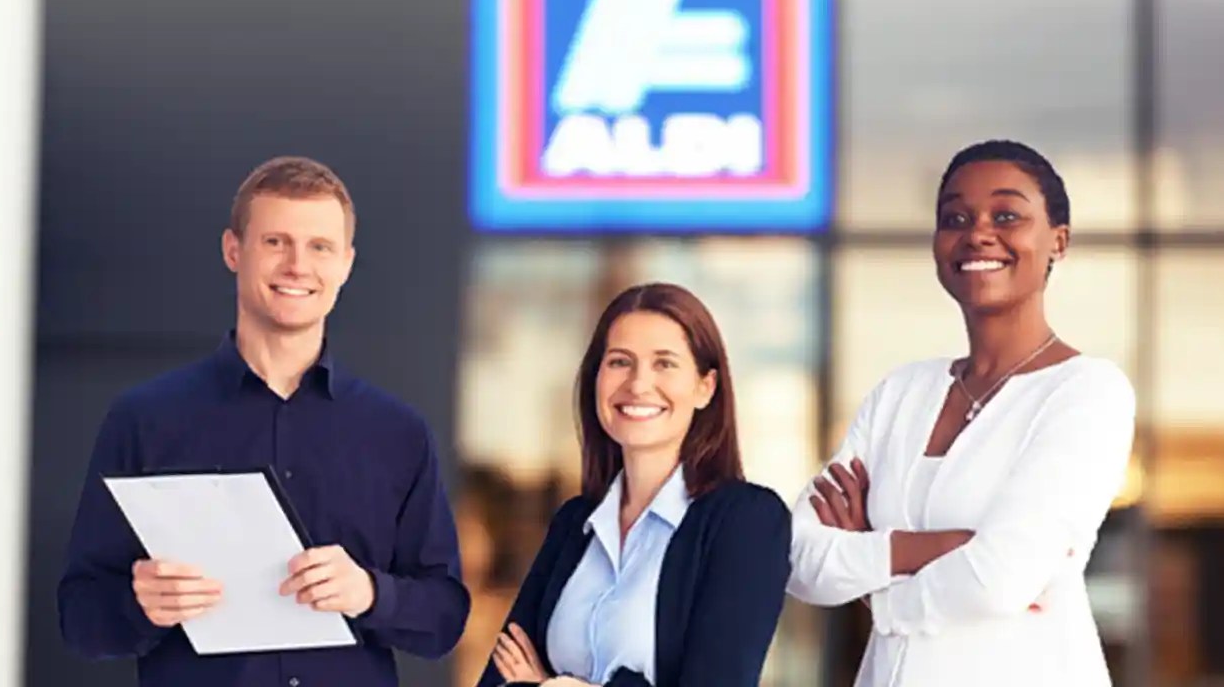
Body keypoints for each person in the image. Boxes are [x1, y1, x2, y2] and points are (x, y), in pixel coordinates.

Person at [57, 156, 470, 686]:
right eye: (276, 242)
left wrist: (370, 593)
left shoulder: (398, 435)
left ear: (345, 263)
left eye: (320, 247)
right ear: (234, 251)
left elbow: (444, 618)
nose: (298, 265)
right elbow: (79, 616)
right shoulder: (144, 420)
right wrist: (139, 604)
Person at [788, 140, 1136, 686]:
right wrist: (938, 547)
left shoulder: (1088, 392)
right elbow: (801, 560)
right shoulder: (900, 393)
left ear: (1057, 242)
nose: (978, 232)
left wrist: (881, 592)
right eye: (955, 216)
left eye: (1007, 215)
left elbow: (999, 575)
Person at [476, 283, 791, 687]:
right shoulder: (575, 523)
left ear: (705, 387)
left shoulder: (747, 522)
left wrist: (558, 684)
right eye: (620, 362)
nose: (639, 384)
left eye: (665, 363)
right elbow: (499, 677)